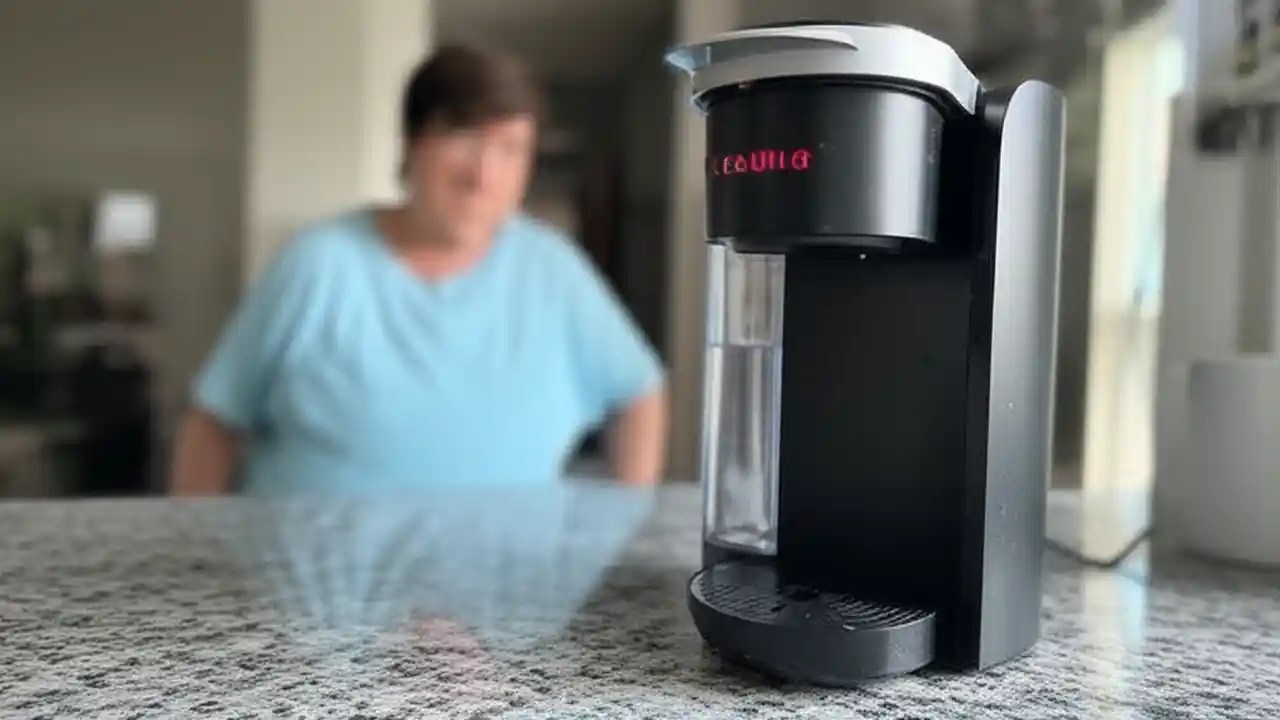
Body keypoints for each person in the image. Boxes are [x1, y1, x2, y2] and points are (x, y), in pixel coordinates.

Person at [171, 45, 667, 494]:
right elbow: (214, 423)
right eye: (463, 137)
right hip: (318, 588)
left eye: (511, 150)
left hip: (511, 587)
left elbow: (640, 392)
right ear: (411, 144)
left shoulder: (553, 269)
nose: (483, 175)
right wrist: (194, 558)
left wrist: (627, 524)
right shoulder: (318, 263)